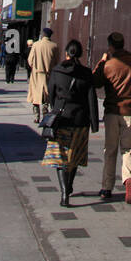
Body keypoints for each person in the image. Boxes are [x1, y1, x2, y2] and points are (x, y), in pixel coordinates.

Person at [92, 31, 131, 204]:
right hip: (130, 112)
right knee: (128, 149)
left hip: (111, 112)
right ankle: (128, 180)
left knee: (110, 150)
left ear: (110, 46)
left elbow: (95, 81)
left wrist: (101, 61)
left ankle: (106, 187)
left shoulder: (108, 65)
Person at [41, 39, 99, 207]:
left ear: (67, 53)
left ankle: (64, 192)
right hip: (80, 121)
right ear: (80, 54)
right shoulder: (86, 73)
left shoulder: (57, 72)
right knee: (75, 155)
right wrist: (94, 123)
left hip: (61, 119)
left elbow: (50, 95)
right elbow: (91, 99)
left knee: (60, 157)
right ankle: (70, 185)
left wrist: (56, 108)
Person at [26, 28, 59, 123]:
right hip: (49, 74)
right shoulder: (54, 46)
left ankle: (36, 116)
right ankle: (45, 111)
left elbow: (30, 60)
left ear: (43, 35)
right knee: (46, 95)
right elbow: (56, 61)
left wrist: (34, 67)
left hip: (36, 74)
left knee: (35, 96)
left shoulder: (36, 45)